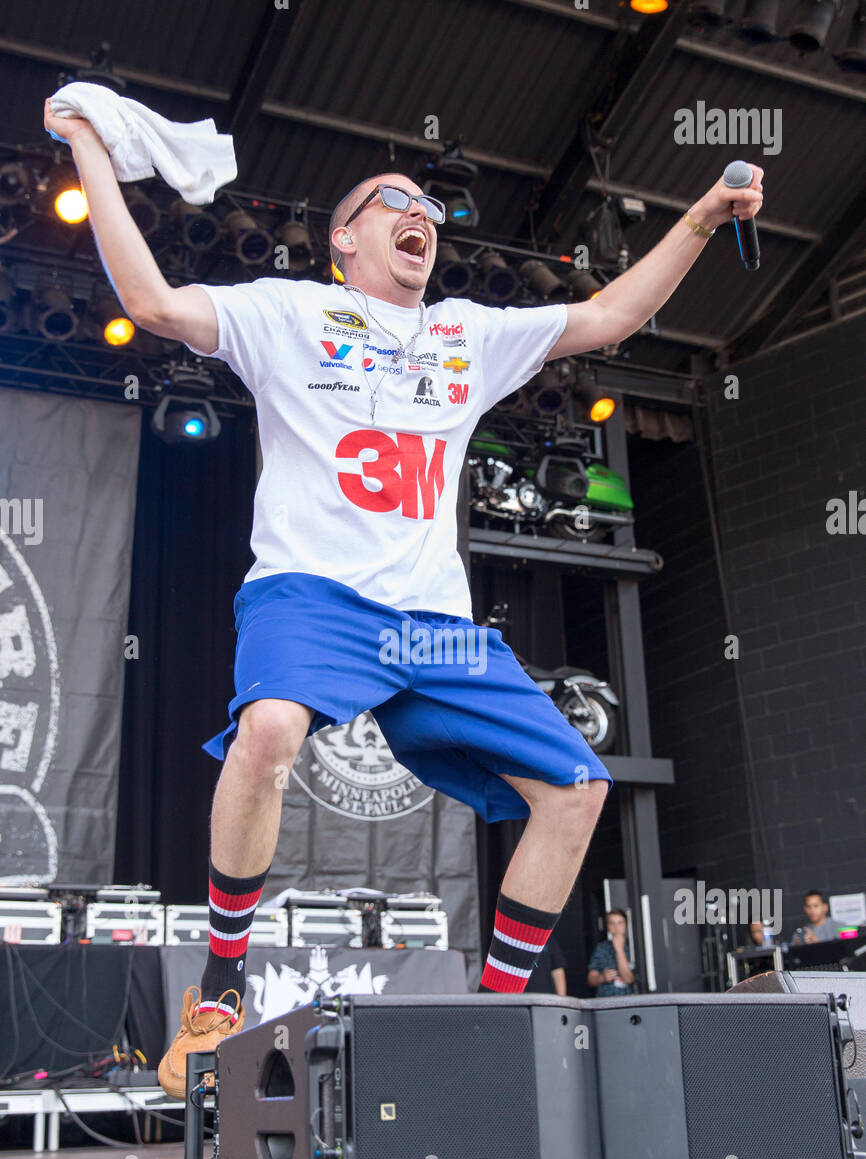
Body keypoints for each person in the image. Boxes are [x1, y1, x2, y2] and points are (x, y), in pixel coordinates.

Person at [43, 100, 763, 1096]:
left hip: (432, 627)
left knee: (579, 788)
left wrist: (698, 217)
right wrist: (87, 149)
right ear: (345, 239)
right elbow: (155, 303)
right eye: (393, 201)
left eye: (428, 205)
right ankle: (217, 989)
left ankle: (497, 1013)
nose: (418, 211)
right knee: (269, 733)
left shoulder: (466, 335)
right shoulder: (288, 313)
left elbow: (608, 318)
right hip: (311, 596)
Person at [587, 909, 635, 997]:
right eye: (612, 923)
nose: (616, 928)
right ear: (607, 926)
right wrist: (602, 977)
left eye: (620, 923)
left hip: (629, 1002)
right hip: (606, 1002)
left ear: (626, 925)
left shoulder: (634, 947)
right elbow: (590, 980)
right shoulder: (601, 948)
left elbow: (628, 979)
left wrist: (619, 949)